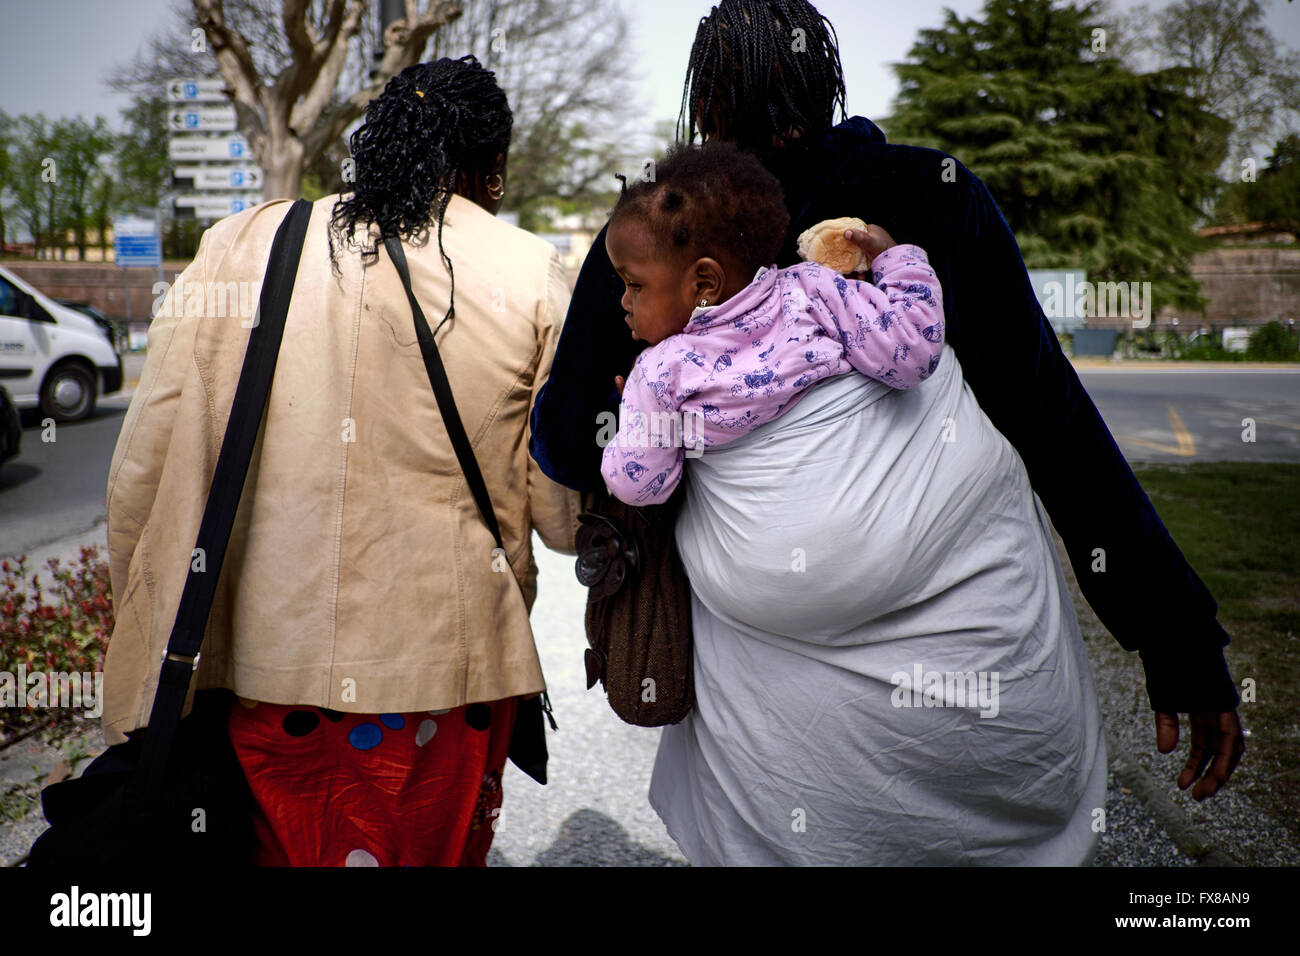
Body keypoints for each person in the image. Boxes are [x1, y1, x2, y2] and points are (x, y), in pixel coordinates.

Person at [528, 0, 1245, 811]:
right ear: (827, 83)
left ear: (705, 104)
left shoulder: (655, 229)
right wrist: (1176, 637)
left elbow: (566, 441)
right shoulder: (930, 193)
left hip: (769, 713)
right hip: (974, 670)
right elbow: (1052, 420)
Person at [100, 56, 584, 866]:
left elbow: (141, 474)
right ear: (491, 169)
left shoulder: (242, 245)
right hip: (449, 680)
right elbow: (561, 516)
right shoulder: (532, 273)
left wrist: (146, 624)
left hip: (261, 673)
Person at [600, 141, 944, 506]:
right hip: (884, 509)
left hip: (760, 552)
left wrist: (641, 424)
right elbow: (915, 354)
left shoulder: (658, 373)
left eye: (634, 285)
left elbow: (637, 486)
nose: (623, 301)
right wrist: (896, 260)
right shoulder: (814, 289)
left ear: (704, 284)